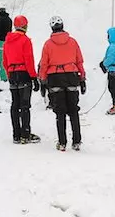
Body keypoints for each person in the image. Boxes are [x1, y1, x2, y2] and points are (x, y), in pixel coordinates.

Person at [38, 16, 86, 151]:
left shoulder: (48, 44)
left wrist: (42, 80)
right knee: (73, 110)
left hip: (55, 78)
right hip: (71, 76)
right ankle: (76, 141)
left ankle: (62, 142)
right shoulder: (73, 42)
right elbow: (79, 61)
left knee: (60, 112)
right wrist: (82, 78)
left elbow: (44, 64)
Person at [2, 15, 40, 144]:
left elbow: (5, 61)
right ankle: (25, 133)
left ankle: (16, 134)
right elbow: (28, 59)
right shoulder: (25, 40)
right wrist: (34, 77)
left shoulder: (7, 41)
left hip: (12, 73)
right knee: (24, 105)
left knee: (15, 105)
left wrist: (9, 74)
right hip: (24, 73)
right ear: (24, 26)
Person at [100, 26, 115, 114]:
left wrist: (104, 63)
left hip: (113, 69)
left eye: (108, 35)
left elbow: (110, 58)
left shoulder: (113, 47)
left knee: (112, 87)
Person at [0, 5, 13, 82]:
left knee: (2, 59)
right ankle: (10, 74)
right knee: (9, 58)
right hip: (9, 41)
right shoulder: (9, 19)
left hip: (1, 42)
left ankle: (3, 77)